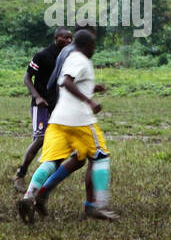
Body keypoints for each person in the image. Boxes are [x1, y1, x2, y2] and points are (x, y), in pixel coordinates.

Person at [17, 29, 115, 222]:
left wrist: (93, 87)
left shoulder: (68, 57)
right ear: (88, 46)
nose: (94, 49)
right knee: (101, 157)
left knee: (51, 161)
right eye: (93, 46)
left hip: (57, 120)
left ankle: (30, 195)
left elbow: (70, 81)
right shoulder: (81, 59)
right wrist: (90, 102)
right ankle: (99, 205)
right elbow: (67, 82)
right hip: (80, 121)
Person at [14, 27, 72, 192]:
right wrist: (37, 96)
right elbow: (27, 77)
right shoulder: (42, 55)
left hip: (58, 105)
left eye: (70, 38)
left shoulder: (67, 57)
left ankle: (45, 178)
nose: (68, 41)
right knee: (40, 139)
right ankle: (20, 174)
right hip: (42, 105)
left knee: (59, 142)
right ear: (55, 38)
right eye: (64, 37)